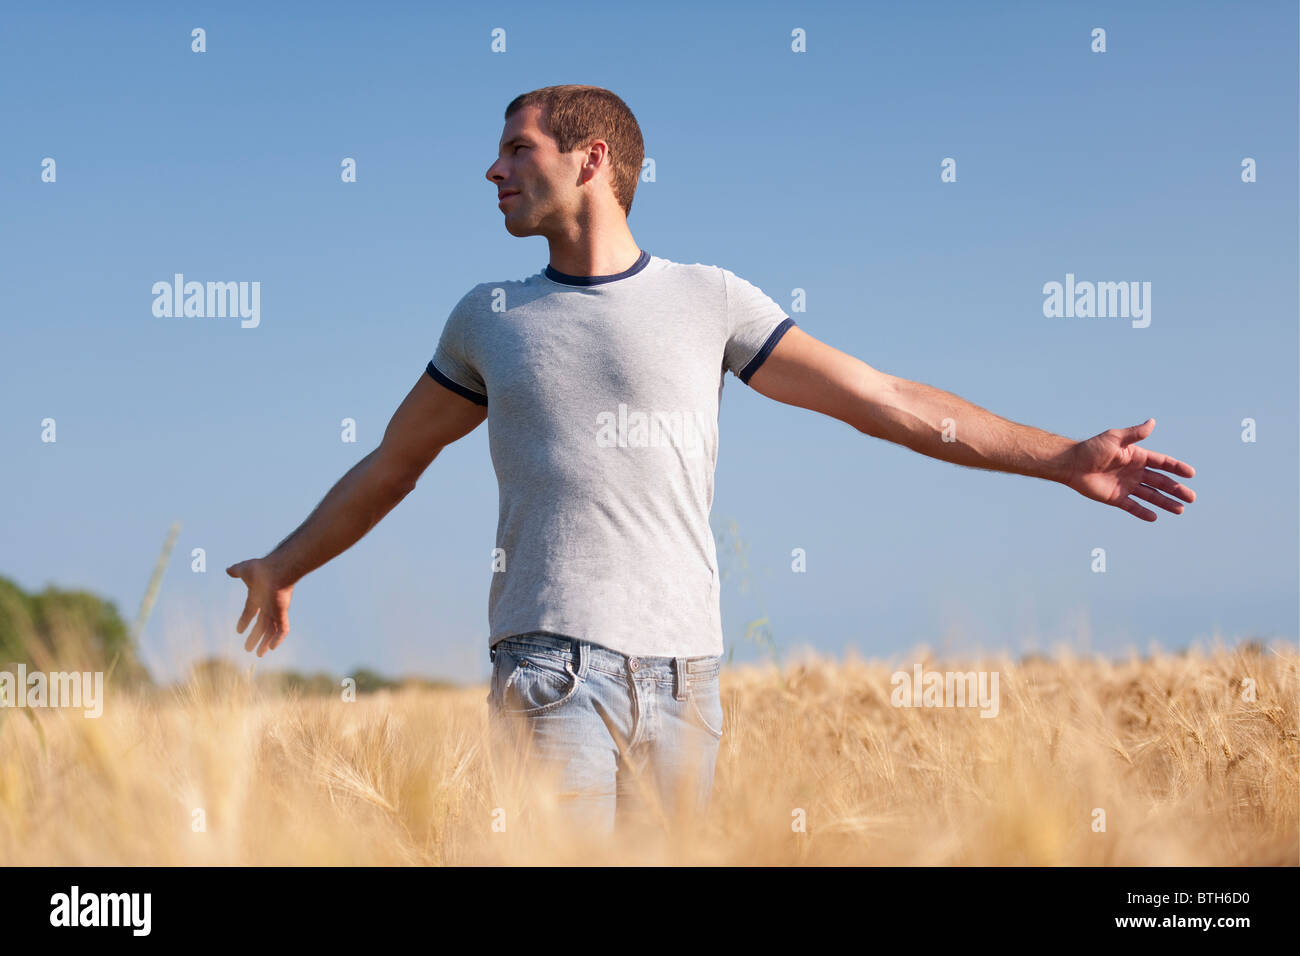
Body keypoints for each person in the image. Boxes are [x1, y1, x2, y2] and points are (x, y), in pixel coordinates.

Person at [226, 84, 1197, 837]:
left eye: (516, 148)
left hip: (690, 679)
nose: (492, 170)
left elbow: (886, 401)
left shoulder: (710, 299)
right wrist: (283, 563)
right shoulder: (488, 318)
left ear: (591, 158)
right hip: (548, 668)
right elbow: (393, 462)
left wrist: (1061, 456)